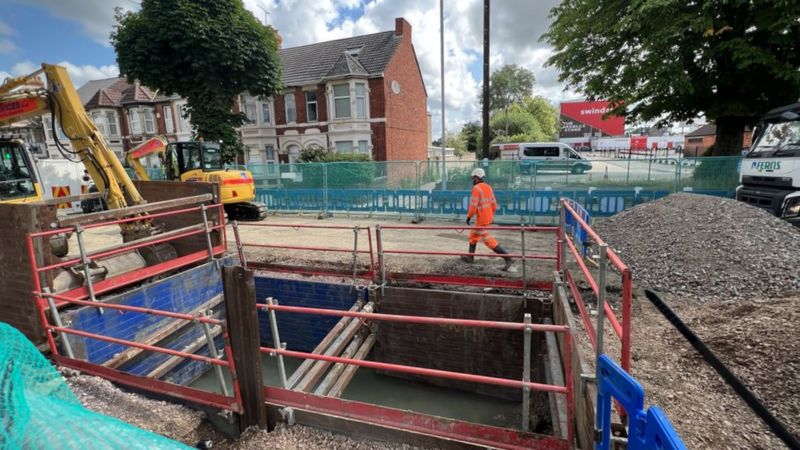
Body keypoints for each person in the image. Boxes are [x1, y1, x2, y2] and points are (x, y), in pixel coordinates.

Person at [461, 168, 514, 271]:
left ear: (476, 178)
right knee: (473, 236)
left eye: (473, 178)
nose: (473, 180)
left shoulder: (476, 188)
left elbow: (473, 205)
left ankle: (508, 258)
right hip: (487, 216)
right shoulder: (488, 187)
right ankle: (470, 257)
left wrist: (469, 216)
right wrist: (490, 214)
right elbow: (494, 203)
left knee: (487, 240)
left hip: (481, 218)